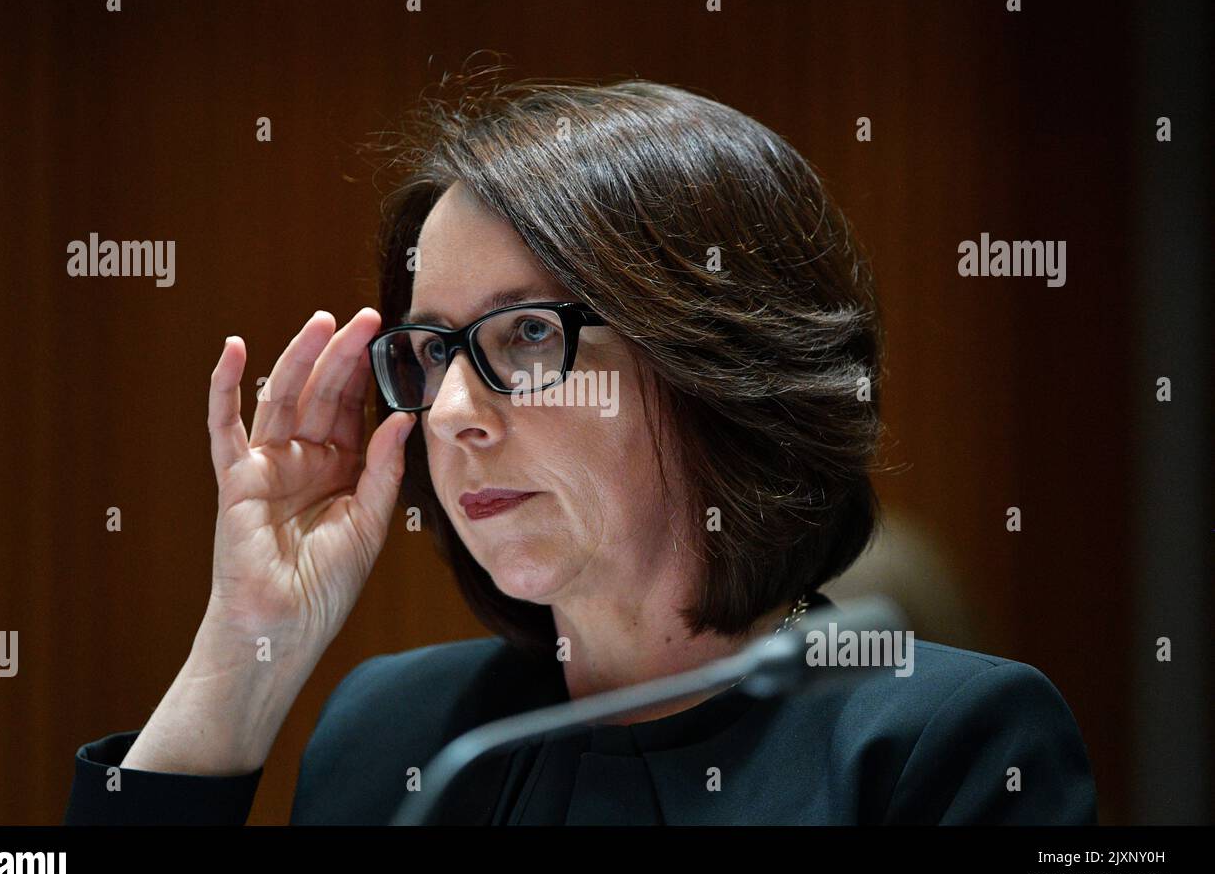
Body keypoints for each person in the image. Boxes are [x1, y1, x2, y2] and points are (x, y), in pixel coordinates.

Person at [64, 76, 1097, 825]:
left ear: (714, 362)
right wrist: (250, 645)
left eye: (524, 335)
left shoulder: (944, 742)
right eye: (431, 350)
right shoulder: (400, 729)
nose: (451, 411)